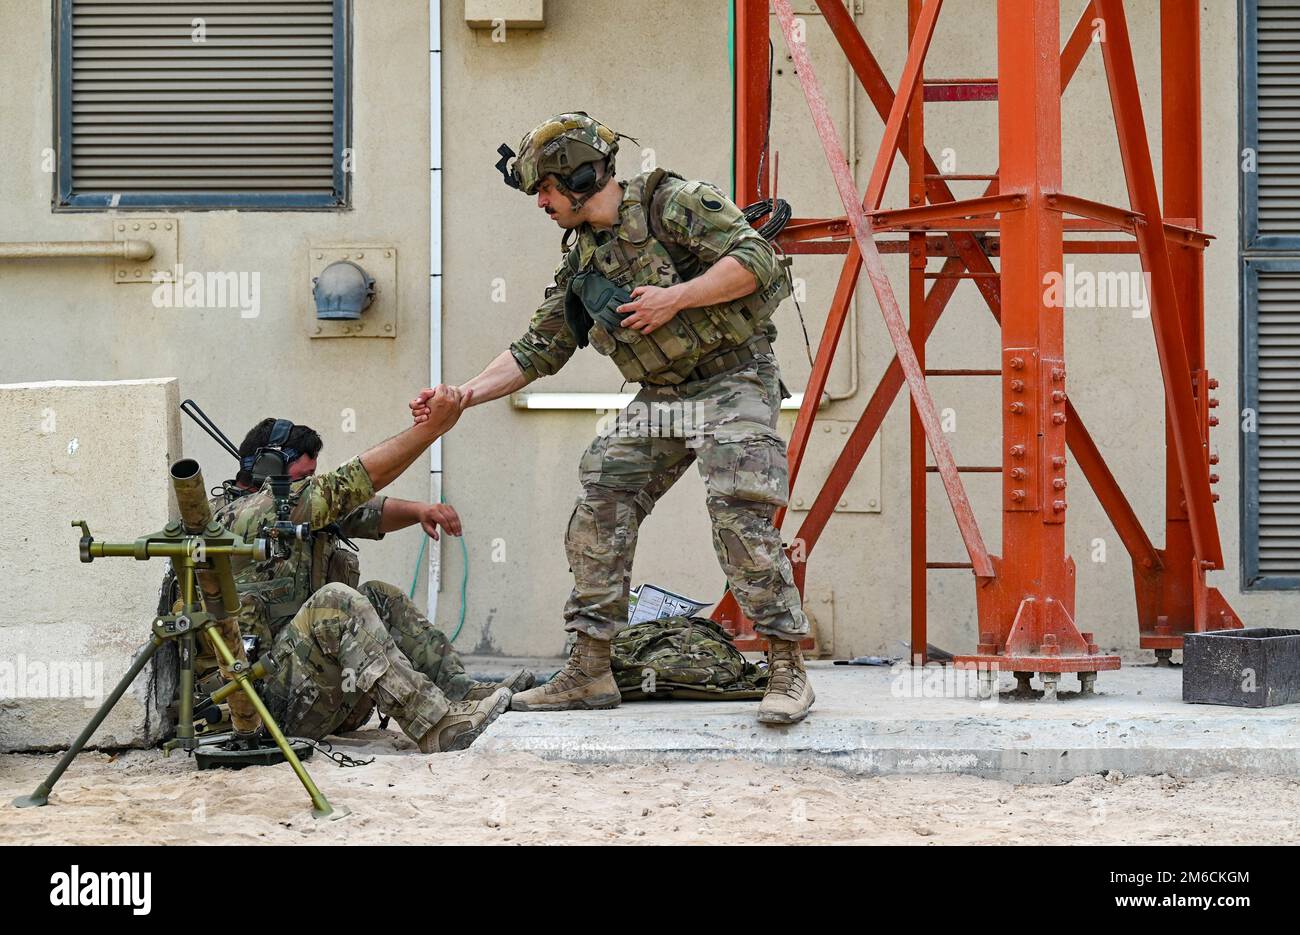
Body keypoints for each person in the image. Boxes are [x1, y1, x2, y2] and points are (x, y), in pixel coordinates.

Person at [413, 113, 814, 724]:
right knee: (602, 492)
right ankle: (591, 668)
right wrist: (461, 396)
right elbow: (537, 348)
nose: (542, 202)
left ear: (578, 176)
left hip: (733, 378)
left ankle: (786, 667)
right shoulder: (584, 261)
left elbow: (760, 260)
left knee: (737, 507)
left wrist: (675, 296)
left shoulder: (674, 204)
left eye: (546, 188)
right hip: (662, 393)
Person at [214, 386, 521, 752]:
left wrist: (420, 511)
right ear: (268, 468)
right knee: (337, 602)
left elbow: (361, 509)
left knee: (379, 596)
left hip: (314, 691)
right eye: (302, 478)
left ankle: (459, 692)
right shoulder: (239, 515)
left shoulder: (288, 507)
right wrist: (430, 429)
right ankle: (437, 725)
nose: (308, 485)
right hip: (259, 708)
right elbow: (349, 485)